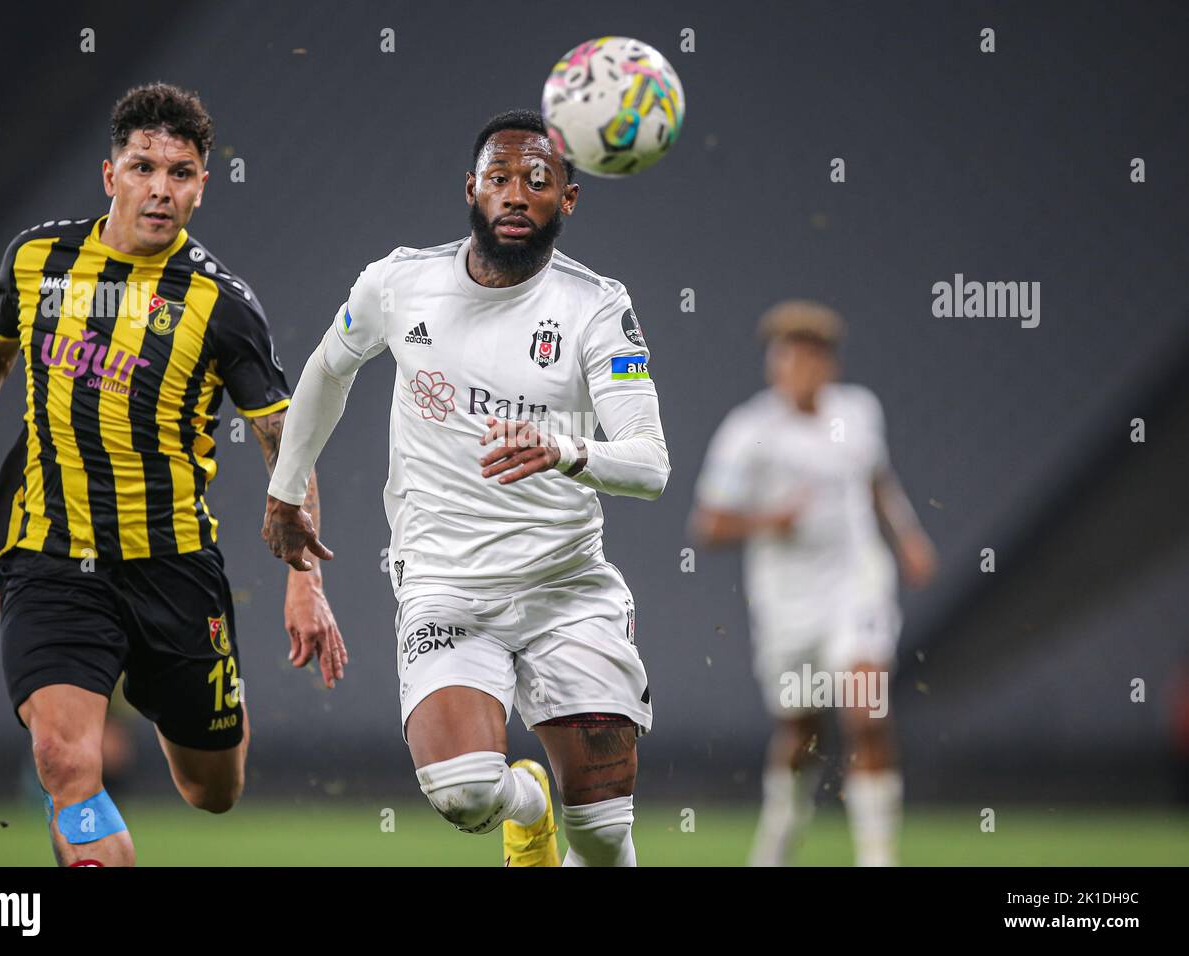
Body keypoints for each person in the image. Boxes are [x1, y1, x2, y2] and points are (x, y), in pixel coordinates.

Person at [0, 82, 345, 866]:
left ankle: (162, 693)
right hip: (50, 555)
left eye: (181, 172)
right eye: (143, 167)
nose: (160, 189)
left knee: (213, 790)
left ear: (203, 185)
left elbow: (287, 443)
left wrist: (306, 581)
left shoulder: (223, 305)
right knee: (67, 763)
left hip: (171, 567)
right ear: (111, 176)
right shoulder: (38, 261)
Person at [263, 109, 670, 866]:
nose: (517, 195)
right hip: (445, 584)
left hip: (566, 588)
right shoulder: (399, 284)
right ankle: (528, 804)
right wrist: (287, 491)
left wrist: (564, 450)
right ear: (471, 190)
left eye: (539, 181)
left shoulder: (597, 308)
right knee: (465, 793)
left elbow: (651, 463)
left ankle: (573, 823)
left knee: (606, 835)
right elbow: (325, 370)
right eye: (500, 179)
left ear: (569, 200)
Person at [689, 300, 937, 866]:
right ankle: (779, 834)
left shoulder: (858, 412)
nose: (801, 365)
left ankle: (878, 856)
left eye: (813, 354)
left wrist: (909, 539)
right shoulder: (748, 432)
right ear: (775, 363)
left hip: (857, 586)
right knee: (801, 731)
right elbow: (708, 524)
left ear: (830, 364)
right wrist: (768, 520)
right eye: (790, 354)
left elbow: (877, 480)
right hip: (787, 604)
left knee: (866, 711)